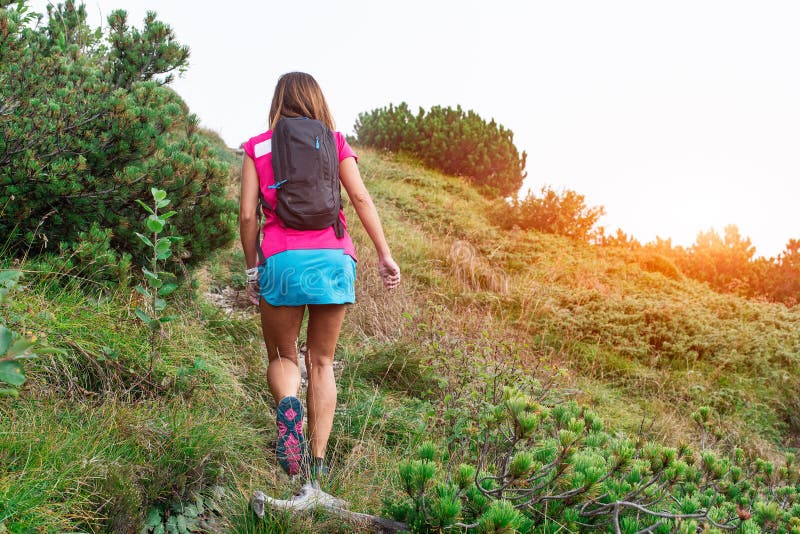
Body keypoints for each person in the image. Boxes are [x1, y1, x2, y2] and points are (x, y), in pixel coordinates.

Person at [239, 72, 400, 481]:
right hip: (334, 259)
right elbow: (361, 198)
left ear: (278, 102)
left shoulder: (258, 146)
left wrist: (252, 267)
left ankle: (288, 403)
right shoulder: (335, 140)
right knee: (323, 361)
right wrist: (384, 255)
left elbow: (246, 215)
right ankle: (317, 464)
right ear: (317, 100)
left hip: (282, 260)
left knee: (282, 355)